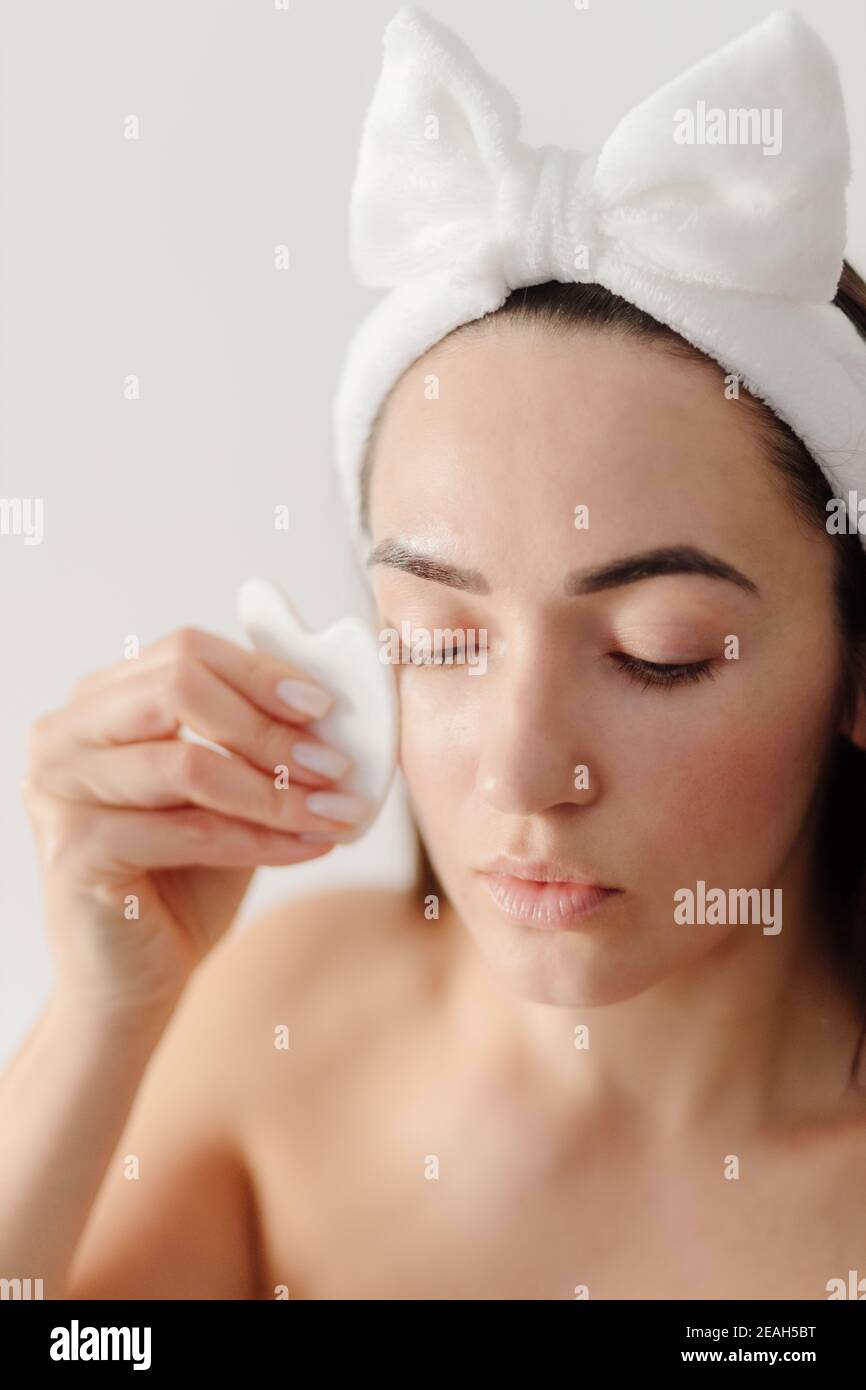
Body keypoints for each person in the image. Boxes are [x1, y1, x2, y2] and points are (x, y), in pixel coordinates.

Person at [4, 7, 866, 1300]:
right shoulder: (274, 1036)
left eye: (656, 653)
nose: (523, 773)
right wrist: (102, 1018)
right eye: (442, 639)